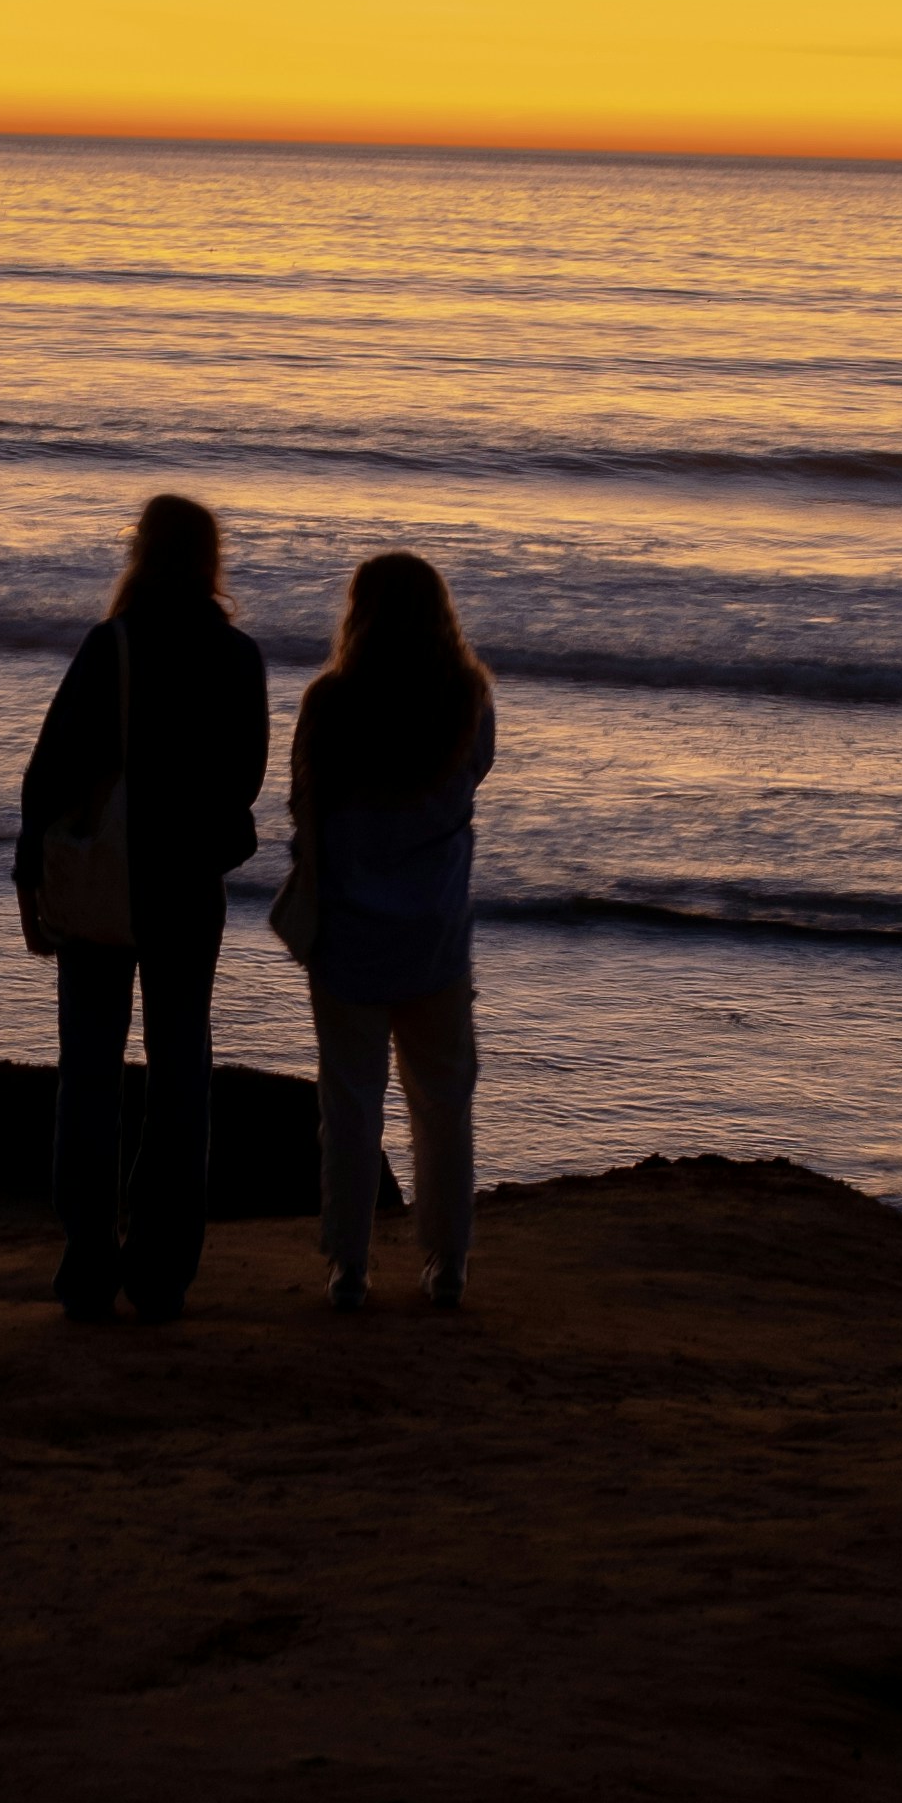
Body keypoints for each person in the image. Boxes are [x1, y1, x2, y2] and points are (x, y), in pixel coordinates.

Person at [15, 493, 270, 1321]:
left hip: (105, 878)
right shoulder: (238, 655)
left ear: (141, 551)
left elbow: (48, 775)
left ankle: (88, 1262)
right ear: (209, 559)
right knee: (181, 1071)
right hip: (187, 886)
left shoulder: (111, 644)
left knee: (90, 1070)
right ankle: (161, 1270)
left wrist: (28, 878)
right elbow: (244, 781)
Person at [286, 551, 494, 1312]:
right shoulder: (468, 698)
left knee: (349, 1101)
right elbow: (475, 774)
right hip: (435, 931)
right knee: (443, 1100)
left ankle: (349, 1265)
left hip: (348, 930)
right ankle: (448, 1259)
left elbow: (301, 800)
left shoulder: (331, 700)